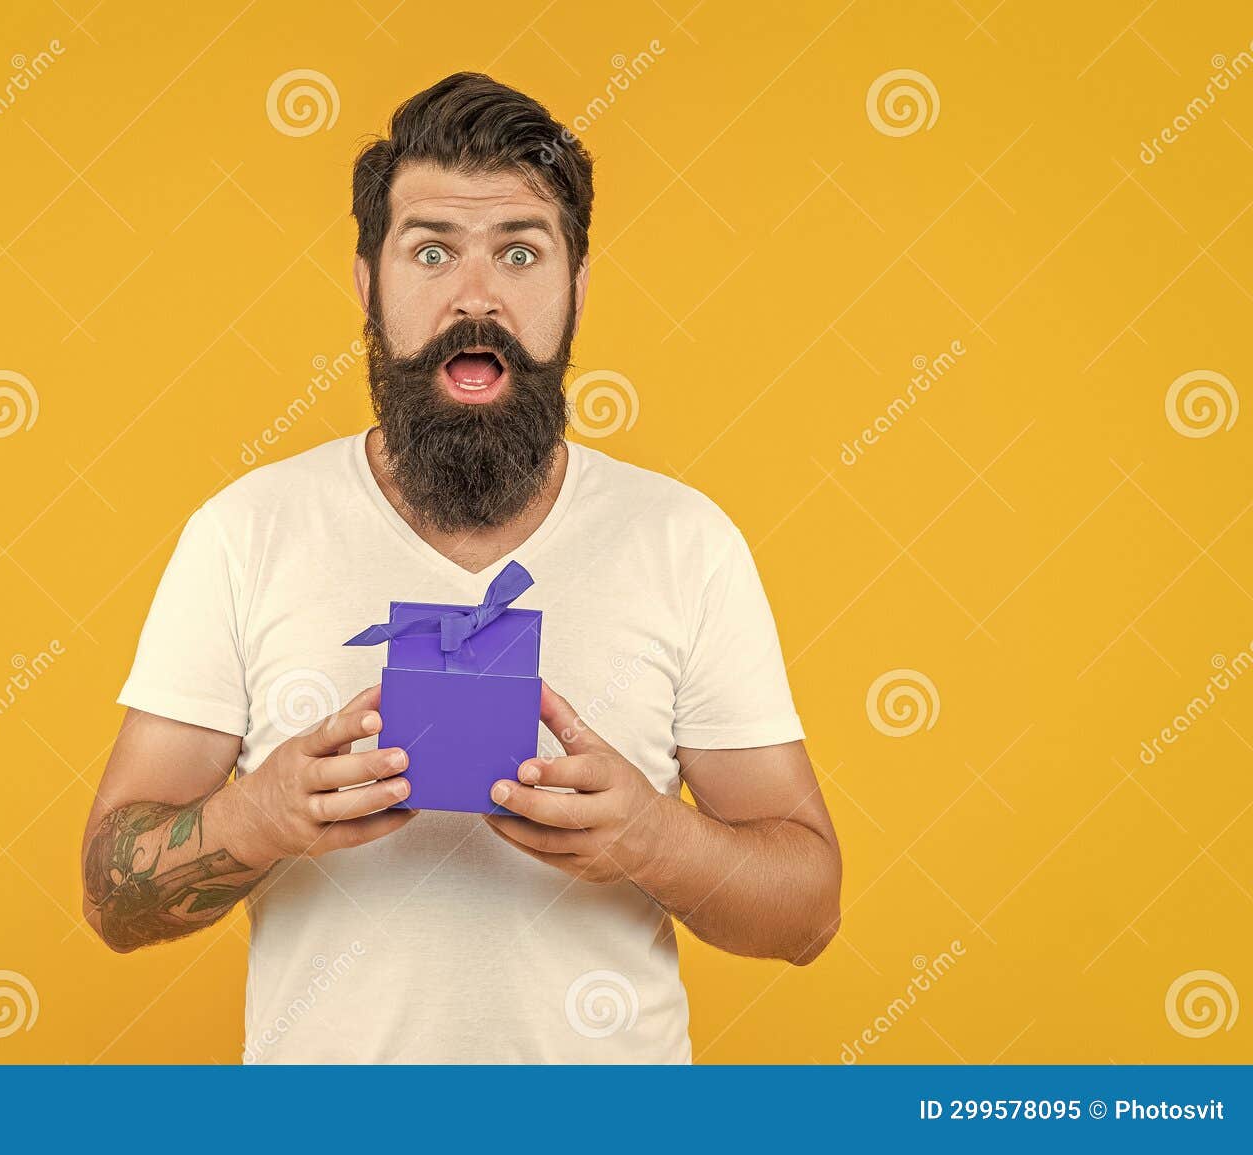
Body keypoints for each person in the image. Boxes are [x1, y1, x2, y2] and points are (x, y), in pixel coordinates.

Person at [80, 72, 841, 1063]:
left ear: (575, 287)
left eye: (520, 252)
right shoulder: (245, 533)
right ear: (368, 283)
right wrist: (257, 816)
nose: (474, 296)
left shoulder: (683, 544)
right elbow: (112, 899)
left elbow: (807, 918)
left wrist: (656, 838)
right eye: (430, 250)